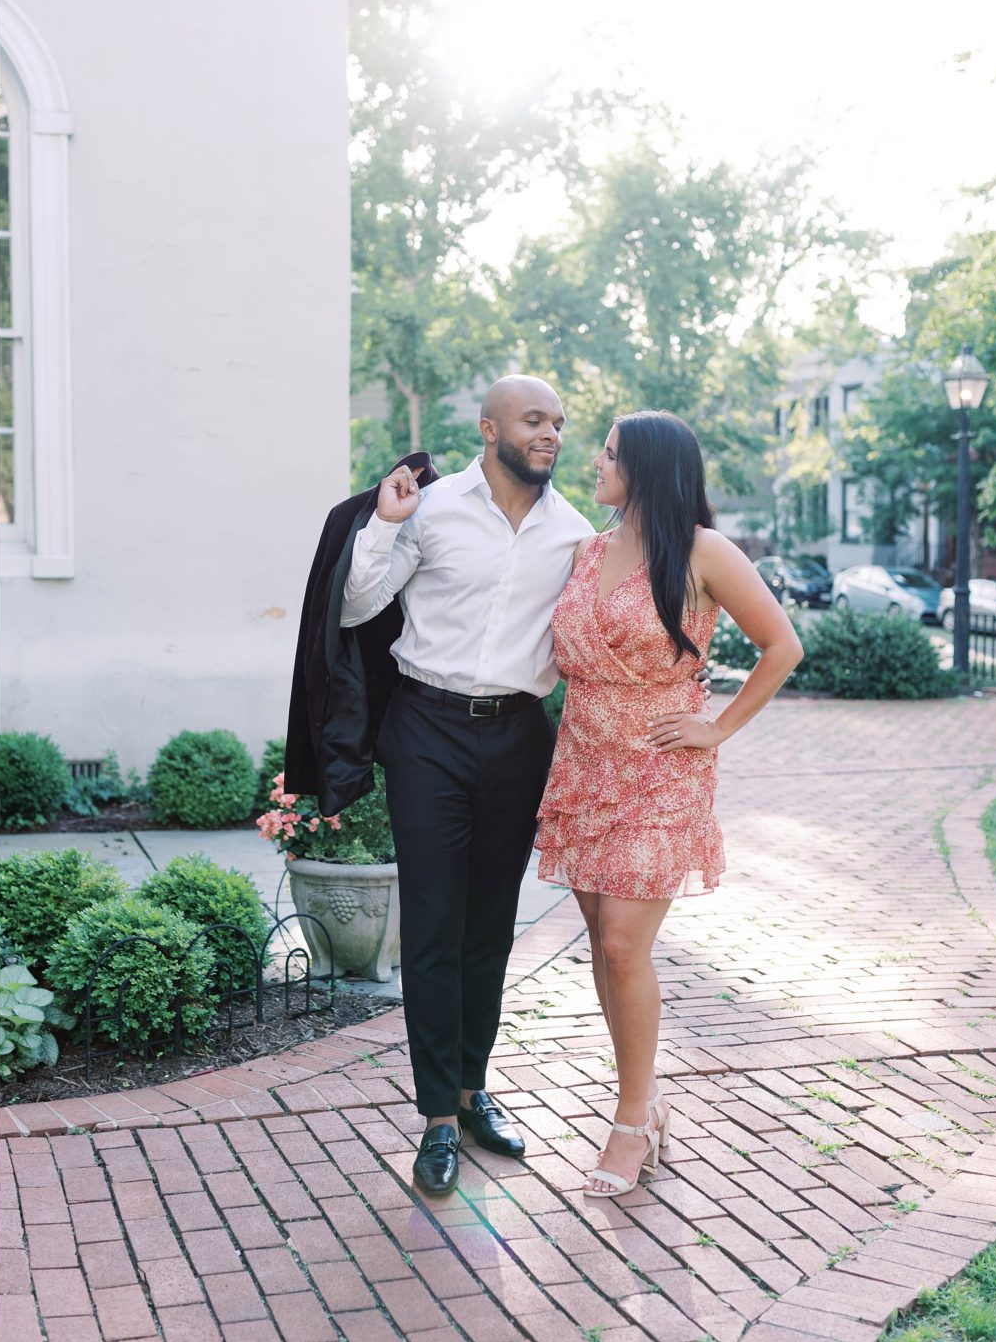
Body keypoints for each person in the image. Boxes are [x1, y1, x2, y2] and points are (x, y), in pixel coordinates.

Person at [535, 409, 803, 1197]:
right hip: (585, 764)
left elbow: (782, 646)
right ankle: (646, 1102)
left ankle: (629, 1120)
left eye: (610, 454)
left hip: (661, 768)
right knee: (602, 939)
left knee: (624, 943)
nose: (595, 463)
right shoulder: (586, 551)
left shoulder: (702, 551)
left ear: (648, 468)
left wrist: (716, 727)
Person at [339, 375, 595, 1197]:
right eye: (534, 420)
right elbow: (357, 607)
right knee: (434, 926)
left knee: (489, 927)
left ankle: (473, 1090)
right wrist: (384, 524)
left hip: (520, 734)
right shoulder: (433, 508)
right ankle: (436, 1119)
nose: (551, 434)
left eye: (559, 423)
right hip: (427, 729)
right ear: (489, 428)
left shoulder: (576, 534)